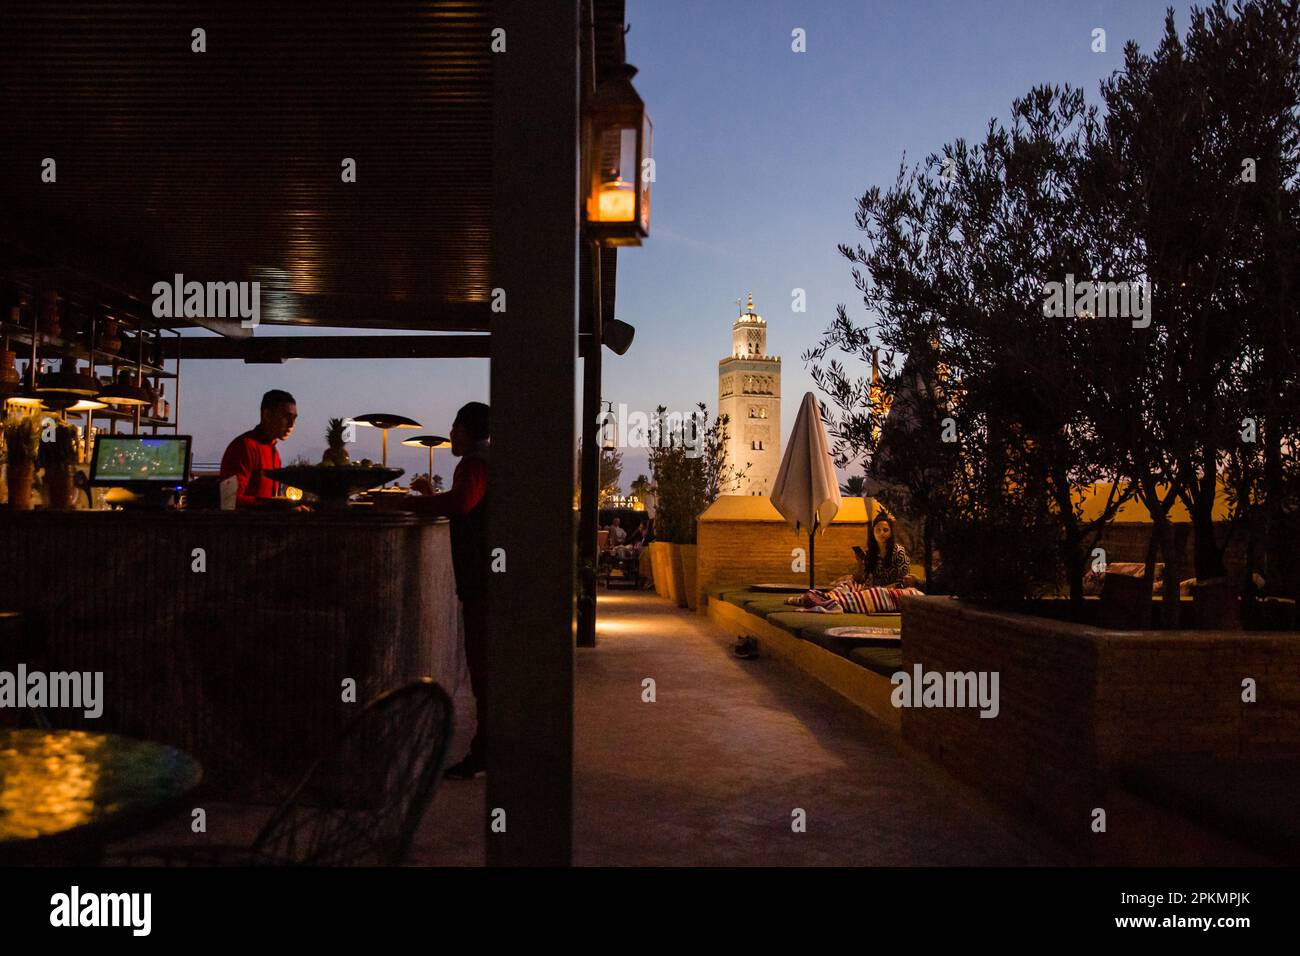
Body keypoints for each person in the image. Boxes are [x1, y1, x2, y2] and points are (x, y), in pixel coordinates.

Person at [387, 402, 489, 780]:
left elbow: (463, 502)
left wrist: (411, 503)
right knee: (485, 666)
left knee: (483, 667)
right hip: (483, 577)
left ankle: (485, 751)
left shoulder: (477, 462)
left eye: (453, 427)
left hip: (482, 580)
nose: (449, 434)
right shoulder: (485, 460)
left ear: (466, 429)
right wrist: (430, 497)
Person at [219, 389, 297, 508]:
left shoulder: (275, 454)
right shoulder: (244, 446)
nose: (292, 424)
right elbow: (230, 500)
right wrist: (277, 507)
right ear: (267, 415)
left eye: (294, 418)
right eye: (286, 417)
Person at [863, 513, 913, 587]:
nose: (881, 533)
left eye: (885, 530)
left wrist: (883, 589)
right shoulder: (870, 553)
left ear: (891, 533)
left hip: (894, 591)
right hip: (875, 592)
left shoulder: (899, 551)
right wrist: (860, 563)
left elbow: (905, 580)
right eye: (878, 530)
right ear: (873, 532)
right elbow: (866, 579)